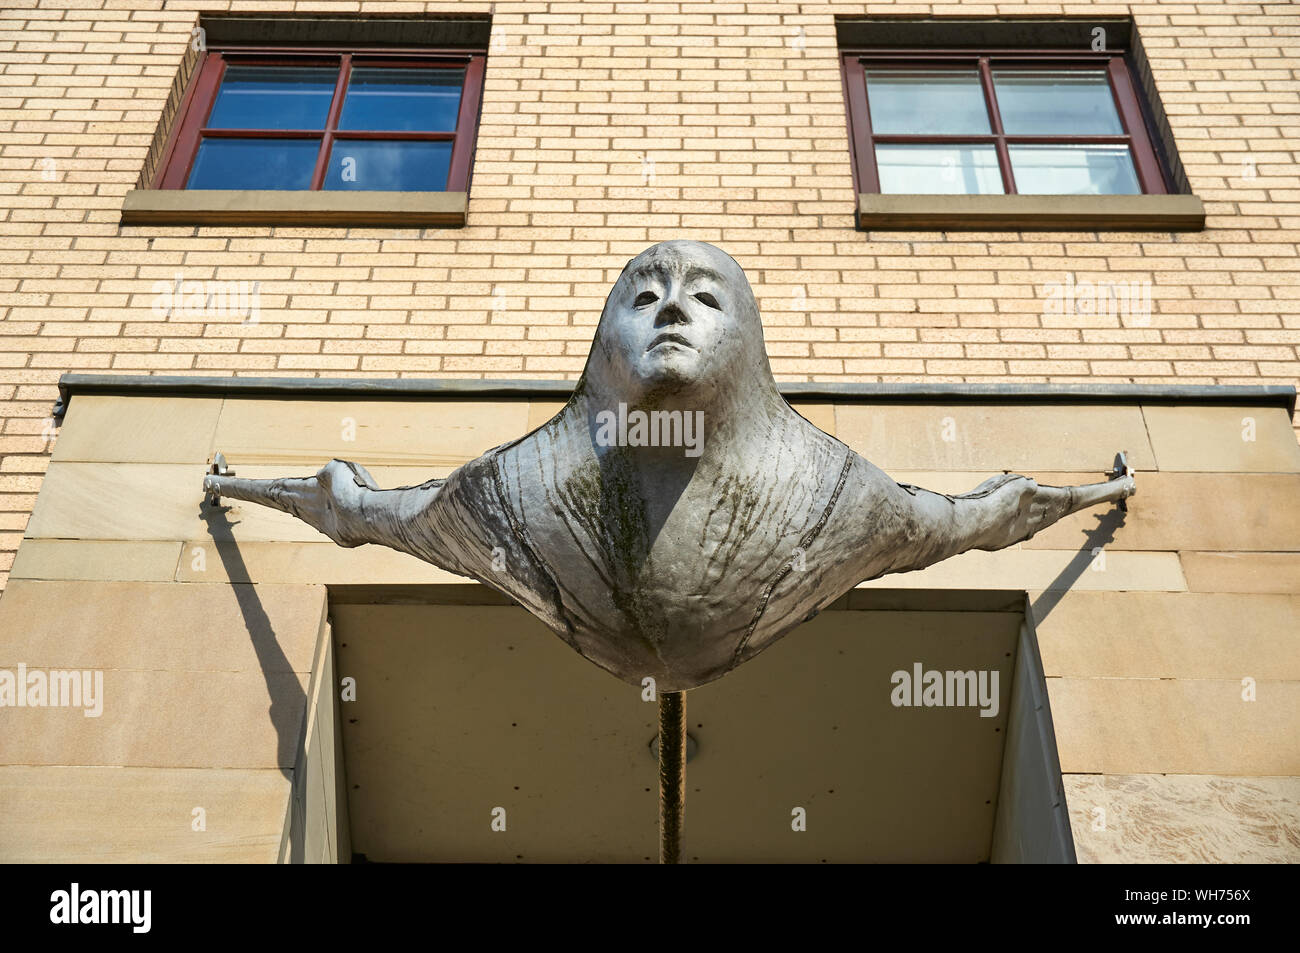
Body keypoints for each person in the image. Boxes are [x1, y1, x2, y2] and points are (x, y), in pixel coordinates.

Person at [205, 240, 1135, 691]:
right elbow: (374, 513)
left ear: (749, 344)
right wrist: (298, 493)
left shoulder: (839, 495)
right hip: (592, 606)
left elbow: (964, 523)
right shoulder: (505, 492)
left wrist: (1075, 496)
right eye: (644, 295)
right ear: (604, 340)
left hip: (740, 613)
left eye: (704, 297)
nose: (672, 310)